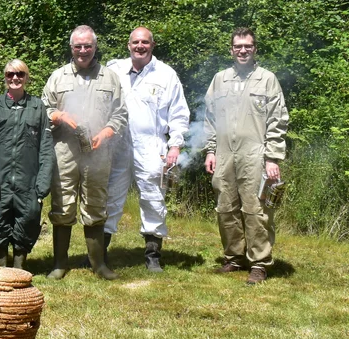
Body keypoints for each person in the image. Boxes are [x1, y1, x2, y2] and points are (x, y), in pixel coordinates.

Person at [42, 25, 127, 280]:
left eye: (87, 46)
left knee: (95, 205)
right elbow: (43, 108)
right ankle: (59, 264)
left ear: (95, 47)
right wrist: (58, 115)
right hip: (64, 151)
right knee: (63, 205)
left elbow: (120, 114)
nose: (83, 50)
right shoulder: (58, 77)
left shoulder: (109, 77)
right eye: (78, 46)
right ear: (71, 48)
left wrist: (107, 133)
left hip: (98, 151)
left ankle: (98, 264)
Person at [204, 28, 288, 285]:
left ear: (255, 49)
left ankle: (259, 263)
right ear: (231, 50)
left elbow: (277, 120)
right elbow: (210, 117)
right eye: (238, 46)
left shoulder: (267, 79)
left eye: (248, 46)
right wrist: (210, 150)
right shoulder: (220, 80)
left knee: (256, 210)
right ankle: (234, 257)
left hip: (255, 155)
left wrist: (272, 157)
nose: (243, 50)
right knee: (225, 208)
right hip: (224, 154)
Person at [105, 27, 190, 272]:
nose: (139, 46)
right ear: (128, 45)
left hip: (151, 145)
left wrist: (175, 144)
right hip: (116, 144)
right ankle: (98, 253)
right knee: (109, 196)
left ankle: (152, 256)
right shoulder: (114, 70)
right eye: (135, 42)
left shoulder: (166, 74)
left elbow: (178, 112)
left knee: (153, 197)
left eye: (145, 42)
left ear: (152, 45)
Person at [0, 59, 54, 269]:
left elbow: (46, 147)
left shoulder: (37, 106)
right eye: (10, 74)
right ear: (5, 77)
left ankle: (19, 269)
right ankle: (1, 270)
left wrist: (42, 184)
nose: (15, 78)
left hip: (28, 180)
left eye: (20, 74)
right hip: (0, 179)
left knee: (28, 220)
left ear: (26, 77)